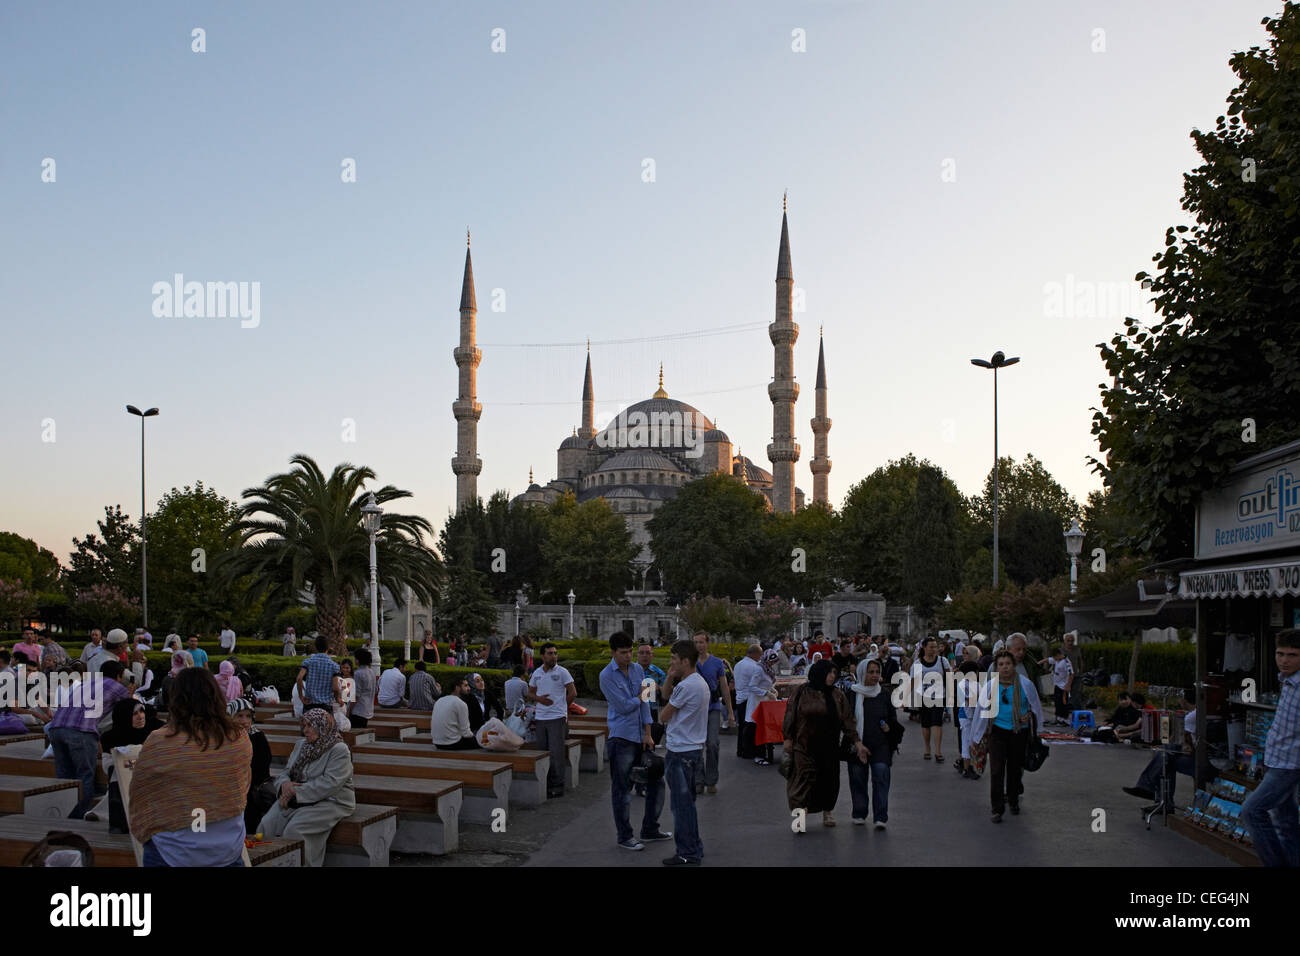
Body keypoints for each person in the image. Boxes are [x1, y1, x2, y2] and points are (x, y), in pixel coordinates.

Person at [130, 667, 252, 866]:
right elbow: (241, 787)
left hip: (173, 850)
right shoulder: (238, 738)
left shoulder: (160, 741)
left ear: (176, 699)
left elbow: (141, 797)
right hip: (227, 846)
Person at [257, 709, 357, 866]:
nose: (305, 730)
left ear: (323, 726)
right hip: (295, 798)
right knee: (266, 824)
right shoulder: (301, 745)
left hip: (331, 801)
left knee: (295, 830)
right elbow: (285, 772)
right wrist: (285, 784)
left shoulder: (339, 749)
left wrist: (294, 793)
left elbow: (330, 783)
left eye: (311, 725)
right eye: (304, 726)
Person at [599, 632, 669, 851]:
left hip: (641, 735)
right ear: (613, 652)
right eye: (623, 653)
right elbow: (623, 706)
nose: (628, 656)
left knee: (657, 781)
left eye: (630, 651)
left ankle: (649, 829)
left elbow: (646, 703)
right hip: (621, 737)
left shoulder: (639, 669)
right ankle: (625, 835)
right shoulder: (606, 675)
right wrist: (640, 697)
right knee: (622, 789)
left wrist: (648, 732)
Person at [1240, 629, 1300, 867]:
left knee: (1252, 811)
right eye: (1280, 653)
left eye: (1293, 655)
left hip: (1289, 763)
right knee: (1285, 822)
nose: (1284, 660)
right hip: (1276, 758)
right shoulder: (1287, 681)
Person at [783, 659, 865, 829]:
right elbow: (790, 715)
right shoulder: (802, 692)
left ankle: (827, 812)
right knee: (801, 782)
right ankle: (799, 816)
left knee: (829, 780)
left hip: (829, 746)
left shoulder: (837, 695)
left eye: (834, 673)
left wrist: (857, 742)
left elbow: (848, 721)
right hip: (804, 744)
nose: (832, 676)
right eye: (829, 673)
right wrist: (788, 738)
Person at [47, 660, 133, 818]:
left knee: (64, 776)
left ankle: (62, 816)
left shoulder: (85, 683)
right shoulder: (118, 687)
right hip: (81, 731)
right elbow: (129, 710)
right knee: (85, 775)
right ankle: (78, 817)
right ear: (120, 676)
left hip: (56, 728)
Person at [969, 649, 1043, 823]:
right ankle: (997, 807)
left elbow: (1036, 707)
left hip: (1019, 731)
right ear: (996, 667)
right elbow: (981, 712)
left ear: (1014, 665)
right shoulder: (990, 687)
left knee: (1015, 769)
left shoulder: (1025, 685)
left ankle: (1013, 799)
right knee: (996, 771)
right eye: (1001, 665)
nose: (1005, 668)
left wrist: (1032, 720)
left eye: (1008, 664)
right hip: (997, 732)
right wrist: (975, 737)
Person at [656, 638, 709, 865]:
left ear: (685, 661)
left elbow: (663, 714)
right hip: (692, 749)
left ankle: (687, 852)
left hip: (680, 752)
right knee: (688, 805)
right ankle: (694, 846)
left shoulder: (687, 686)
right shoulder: (697, 682)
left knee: (681, 807)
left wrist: (672, 683)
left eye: (674, 659)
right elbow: (667, 695)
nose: (672, 662)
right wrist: (670, 676)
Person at [1122, 687, 1211, 807]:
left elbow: (1183, 740)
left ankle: (1154, 793)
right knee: (1165, 753)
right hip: (1201, 757)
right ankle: (1158, 798)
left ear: (1184, 700)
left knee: (1165, 757)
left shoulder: (1192, 716)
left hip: (1201, 762)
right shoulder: (1200, 713)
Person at [847, 657, 902, 828]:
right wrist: (857, 743)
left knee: (881, 774)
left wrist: (888, 728)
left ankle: (880, 816)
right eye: (870, 672)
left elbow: (893, 718)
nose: (874, 675)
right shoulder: (852, 694)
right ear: (862, 673)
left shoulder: (884, 694)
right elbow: (846, 722)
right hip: (857, 744)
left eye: (877, 672)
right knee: (858, 779)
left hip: (881, 744)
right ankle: (859, 812)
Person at [526, 642, 576, 798]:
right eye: (550, 653)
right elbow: (530, 693)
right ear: (542, 656)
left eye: (555, 653)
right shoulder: (537, 673)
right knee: (542, 751)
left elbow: (573, 692)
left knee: (556, 752)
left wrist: (562, 706)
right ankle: (544, 783)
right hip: (540, 717)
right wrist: (539, 699)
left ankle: (557, 785)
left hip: (557, 718)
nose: (554, 656)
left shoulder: (562, 672)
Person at [690, 633, 734, 795]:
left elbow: (724, 688)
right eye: (695, 642)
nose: (698, 645)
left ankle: (711, 780)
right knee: (696, 745)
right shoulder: (690, 662)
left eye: (701, 642)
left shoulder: (716, 663)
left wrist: (730, 712)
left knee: (713, 744)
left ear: (707, 643)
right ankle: (698, 780)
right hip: (695, 710)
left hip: (713, 708)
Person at [227, 697, 276, 834]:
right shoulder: (225, 738)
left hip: (251, 790)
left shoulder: (257, 736)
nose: (244, 721)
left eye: (248, 716)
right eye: (239, 716)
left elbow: (262, 768)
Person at [910, 637, 950, 762]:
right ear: (924, 648)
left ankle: (938, 751)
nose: (934, 649)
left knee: (937, 722)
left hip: (939, 696)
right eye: (931, 647)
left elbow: (949, 678)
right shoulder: (917, 664)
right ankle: (927, 748)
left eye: (935, 647)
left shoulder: (943, 661)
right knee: (926, 724)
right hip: (923, 696)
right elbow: (912, 681)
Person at [746, 649, 779, 766]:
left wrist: (772, 690)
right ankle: (758, 755)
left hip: (764, 703)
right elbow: (752, 687)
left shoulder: (768, 670)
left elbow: (767, 684)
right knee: (758, 730)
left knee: (764, 729)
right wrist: (766, 693)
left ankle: (763, 753)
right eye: (771, 661)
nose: (772, 664)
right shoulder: (759, 669)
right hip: (757, 702)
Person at [430, 675, 479, 750]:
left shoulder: (439, 700)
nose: (469, 688)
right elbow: (466, 733)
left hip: (437, 743)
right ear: (457, 688)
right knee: (482, 742)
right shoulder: (460, 703)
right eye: (465, 686)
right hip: (453, 743)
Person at [296, 636, 341, 714]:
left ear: (316, 647)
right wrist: (337, 698)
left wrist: (301, 696)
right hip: (326, 706)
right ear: (328, 647)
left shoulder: (307, 662)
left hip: (310, 704)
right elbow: (335, 688)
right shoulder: (334, 666)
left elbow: (299, 678)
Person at [732, 644, 762, 758]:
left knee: (742, 727)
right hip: (748, 699)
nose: (760, 657)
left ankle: (740, 750)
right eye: (760, 654)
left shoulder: (738, 665)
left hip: (739, 698)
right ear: (755, 654)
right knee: (750, 727)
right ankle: (748, 751)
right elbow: (756, 684)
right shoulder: (753, 666)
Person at [350, 648, 377, 728]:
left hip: (358, 710)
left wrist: (349, 710)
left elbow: (356, 695)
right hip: (368, 709)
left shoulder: (358, 673)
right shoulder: (372, 672)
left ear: (358, 660)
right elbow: (375, 690)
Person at [1048, 646, 1074, 727]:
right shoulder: (1057, 660)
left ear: (1059, 654)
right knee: (1057, 702)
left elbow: (1071, 674)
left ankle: (1064, 719)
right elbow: (1048, 660)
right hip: (1057, 684)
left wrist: (1068, 685)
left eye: (1055, 656)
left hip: (1063, 686)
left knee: (1063, 703)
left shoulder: (1066, 662)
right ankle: (1058, 718)